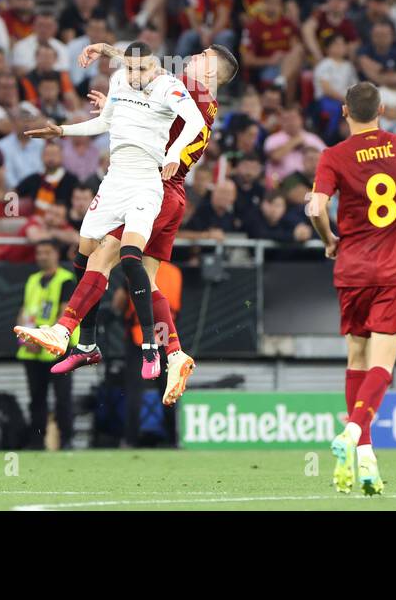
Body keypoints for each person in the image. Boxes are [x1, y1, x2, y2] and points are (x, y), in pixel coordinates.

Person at [46, 42, 238, 408]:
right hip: (174, 196)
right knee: (146, 281)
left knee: (99, 256)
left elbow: (143, 65)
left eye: (202, 57)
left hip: (154, 188)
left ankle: (67, 332)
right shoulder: (206, 103)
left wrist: (106, 50)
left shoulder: (190, 87)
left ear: (211, 72)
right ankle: (176, 354)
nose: (193, 57)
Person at [14, 40, 207, 380]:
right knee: (85, 256)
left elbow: (193, 122)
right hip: (113, 183)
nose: (137, 75)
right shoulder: (120, 80)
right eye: (131, 68)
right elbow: (105, 121)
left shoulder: (170, 85)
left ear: (157, 67)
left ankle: (144, 345)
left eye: (144, 68)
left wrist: (175, 151)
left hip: (147, 183)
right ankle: (88, 345)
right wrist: (62, 130)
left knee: (130, 255)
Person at [304, 81, 396, 495]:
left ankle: (364, 455)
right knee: (383, 360)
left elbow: (316, 206)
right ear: (382, 108)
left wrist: (328, 238)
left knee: (357, 356)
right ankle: (353, 432)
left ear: (345, 112)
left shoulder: (333, 156)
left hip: (352, 269)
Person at [15, 239, 76, 449]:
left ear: (56, 255)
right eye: (39, 252)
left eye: (47, 252)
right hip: (32, 351)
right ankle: (36, 441)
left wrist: (42, 340)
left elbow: (65, 314)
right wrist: (23, 338)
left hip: (58, 350)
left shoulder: (66, 280)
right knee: (36, 399)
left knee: (62, 398)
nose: (42, 256)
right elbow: (24, 310)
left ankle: (66, 440)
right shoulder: (32, 280)